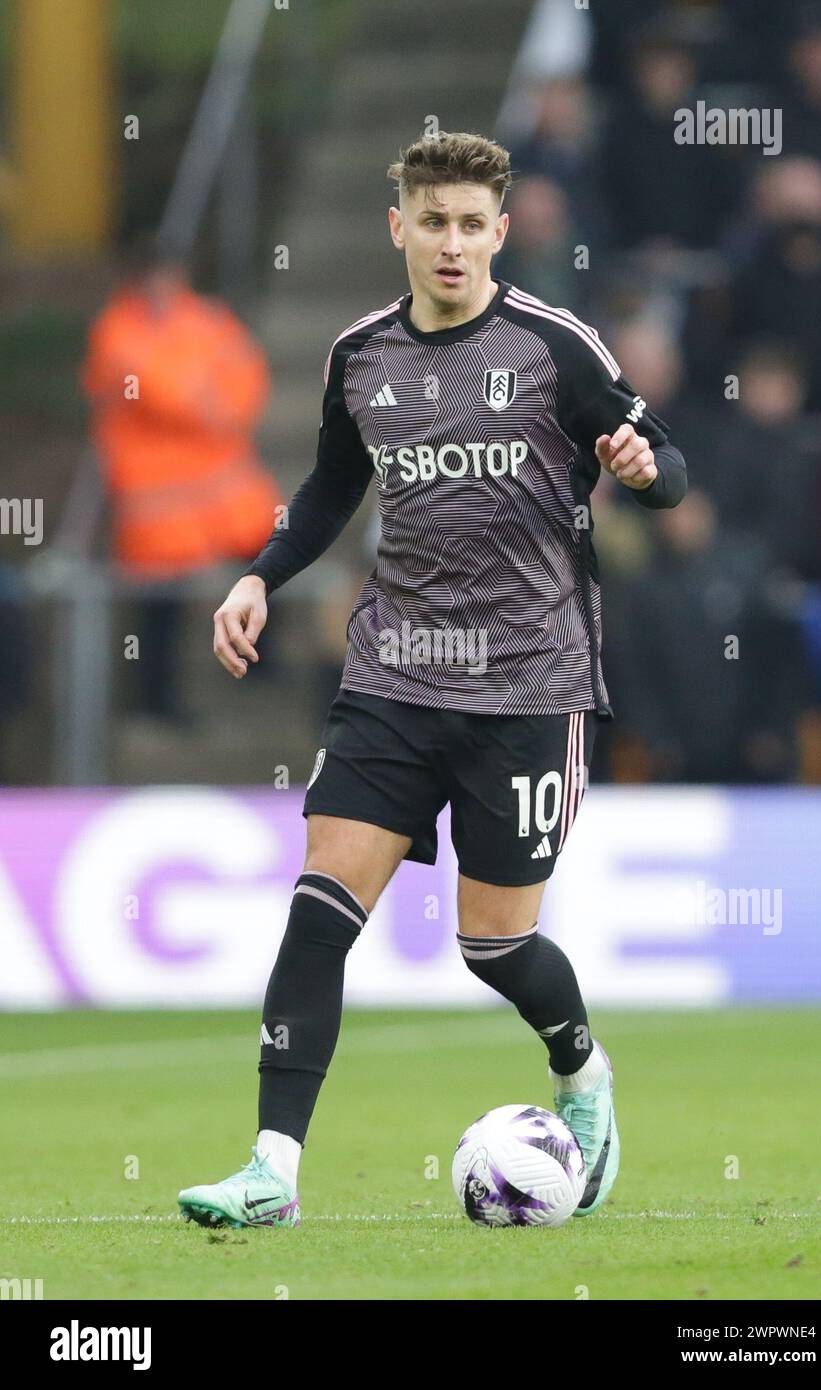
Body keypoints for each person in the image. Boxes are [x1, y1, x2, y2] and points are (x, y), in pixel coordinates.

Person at [178, 131, 687, 1229]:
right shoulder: (358, 356)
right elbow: (327, 488)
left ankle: (580, 1070)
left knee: (492, 943)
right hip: (393, 678)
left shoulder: (556, 348)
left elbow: (666, 466)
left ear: (499, 232)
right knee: (317, 916)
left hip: (527, 688)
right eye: (432, 221)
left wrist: (642, 470)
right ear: (397, 227)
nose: (451, 244)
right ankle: (272, 1170)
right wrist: (261, 577)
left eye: (471, 225)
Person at [81, 239, 281, 720]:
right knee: (159, 612)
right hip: (160, 504)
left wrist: (211, 402)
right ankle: (158, 706)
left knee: (271, 565)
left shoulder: (207, 318)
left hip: (226, 495)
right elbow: (155, 388)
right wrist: (206, 399)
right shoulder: (118, 330)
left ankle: (259, 668)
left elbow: (247, 376)